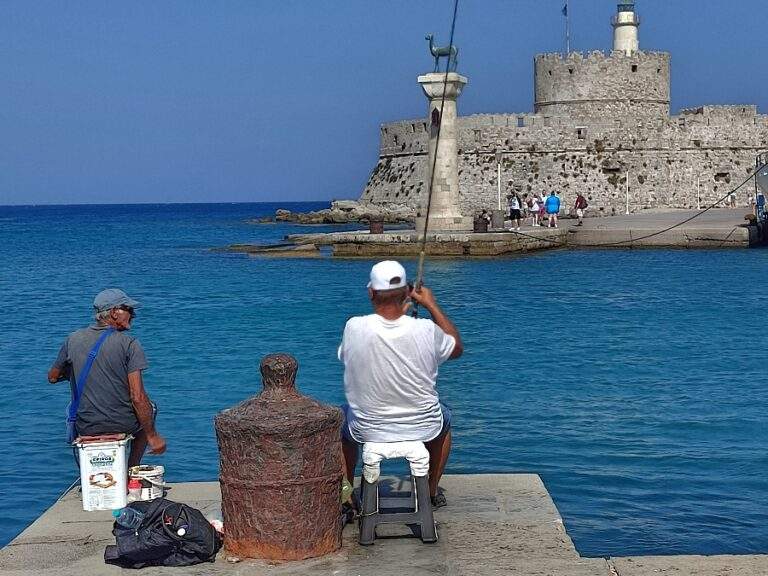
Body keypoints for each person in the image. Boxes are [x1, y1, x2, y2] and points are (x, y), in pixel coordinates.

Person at [338, 261, 463, 508]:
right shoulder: (426, 329)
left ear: (371, 292)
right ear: (407, 292)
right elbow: (456, 348)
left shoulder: (354, 327)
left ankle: (347, 497)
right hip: (423, 425)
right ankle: (430, 491)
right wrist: (430, 304)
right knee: (445, 418)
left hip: (368, 428)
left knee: (337, 422)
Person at [48, 289, 166, 468]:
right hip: (122, 423)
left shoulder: (72, 339)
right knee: (150, 408)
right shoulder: (129, 344)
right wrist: (153, 436)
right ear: (114, 312)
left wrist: (75, 371)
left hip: (85, 425)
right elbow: (137, 397)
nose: (133, 315)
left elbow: (52, 377)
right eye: (129, 310)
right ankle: (131, 469)